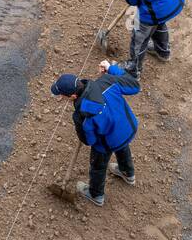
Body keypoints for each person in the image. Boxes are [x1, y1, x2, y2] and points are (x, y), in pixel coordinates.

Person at [51, 61, 140, 207]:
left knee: (98, 164)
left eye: (62, 95)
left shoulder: (80, 116)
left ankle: (96, 194)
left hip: (110, 141)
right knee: (122, 145)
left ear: (73, 96)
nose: (61, 98)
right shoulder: (106, 80)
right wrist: (111, 69)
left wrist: (83, 128)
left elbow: (89, 141)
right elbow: (135, 85)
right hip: (128, 127)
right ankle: (128, 173)